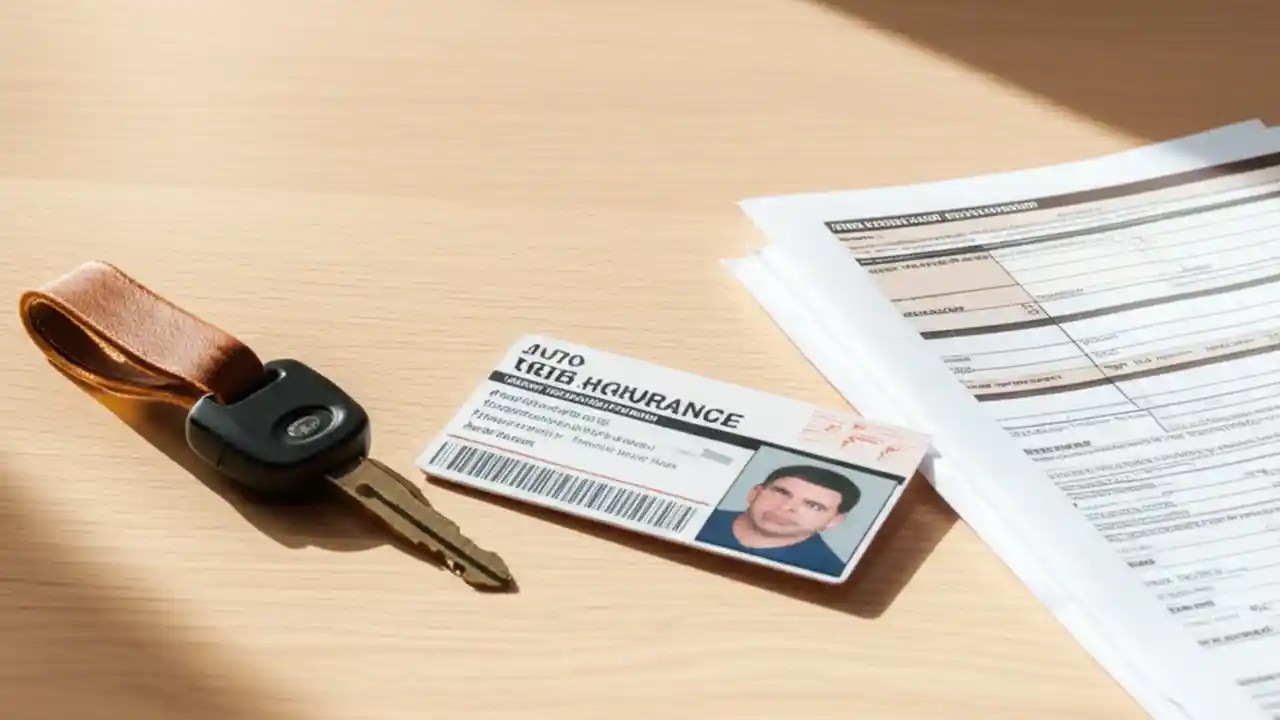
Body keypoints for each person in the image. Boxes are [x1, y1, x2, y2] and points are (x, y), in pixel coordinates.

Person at [696, 464, 860, 576]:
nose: (786, 507)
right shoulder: (697, 517)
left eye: (813, 506)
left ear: (834, 521)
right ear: (755, 493)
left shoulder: (828, 572)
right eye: (781, 492)